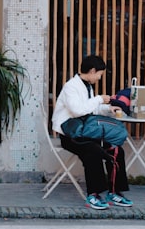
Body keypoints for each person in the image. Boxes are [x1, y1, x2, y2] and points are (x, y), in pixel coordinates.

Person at [51, 55, 132, 210]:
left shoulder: (87, 86)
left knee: (116, 150)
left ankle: (114, 192)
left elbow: (91, 108)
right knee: (93, 151)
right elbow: (77, 110)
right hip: (70, 135)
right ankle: (93, 195)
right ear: (93, 71)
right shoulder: (71, 87)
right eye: (100, 74)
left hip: (85, 132)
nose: (99, 78)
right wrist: (99, 99)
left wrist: (108, 109)